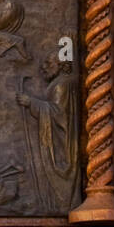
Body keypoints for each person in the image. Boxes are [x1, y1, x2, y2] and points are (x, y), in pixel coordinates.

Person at [18, 51, 78, 210]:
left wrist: (30, 102)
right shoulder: (61, 82)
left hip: (61, 146)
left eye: (48, 64)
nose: (43, 67)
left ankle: (59, 205)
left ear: (62, 65)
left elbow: (58, 113)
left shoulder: (61, 84)